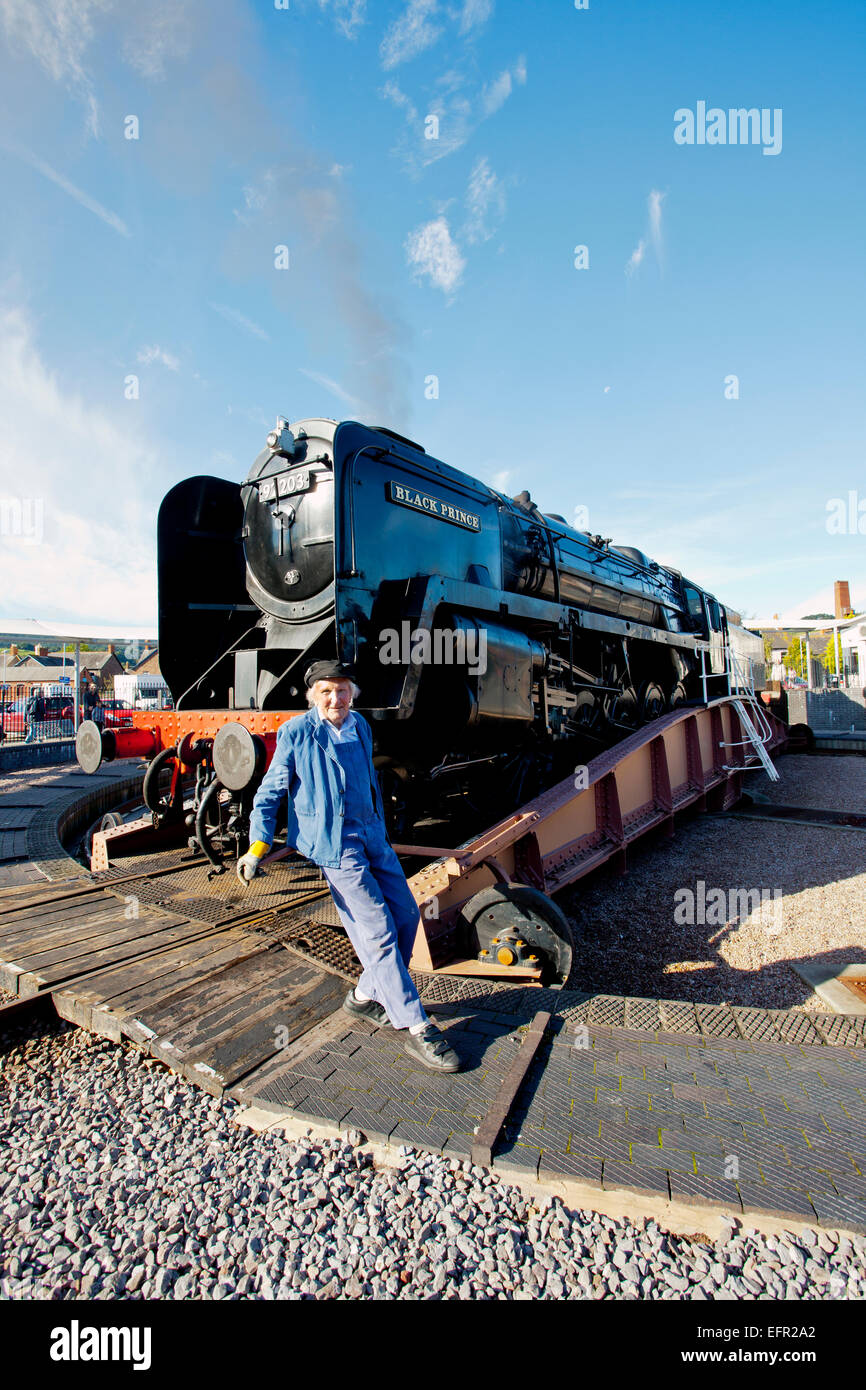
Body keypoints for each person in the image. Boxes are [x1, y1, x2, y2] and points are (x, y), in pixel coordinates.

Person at [237, 660, 460, 1074]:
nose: (335, 699)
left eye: (342, 691)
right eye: (326, 691)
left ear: (352, 694)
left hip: (372, 835)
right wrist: (257, 845)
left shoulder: (360, 727)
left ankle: (362, 997)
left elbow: (369, 782)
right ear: (311, 696)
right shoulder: (296, 733)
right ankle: (417, 1024)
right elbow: (270, 792)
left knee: (408, 916)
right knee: (377, 928)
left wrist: (381, 822)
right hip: (335, 845)